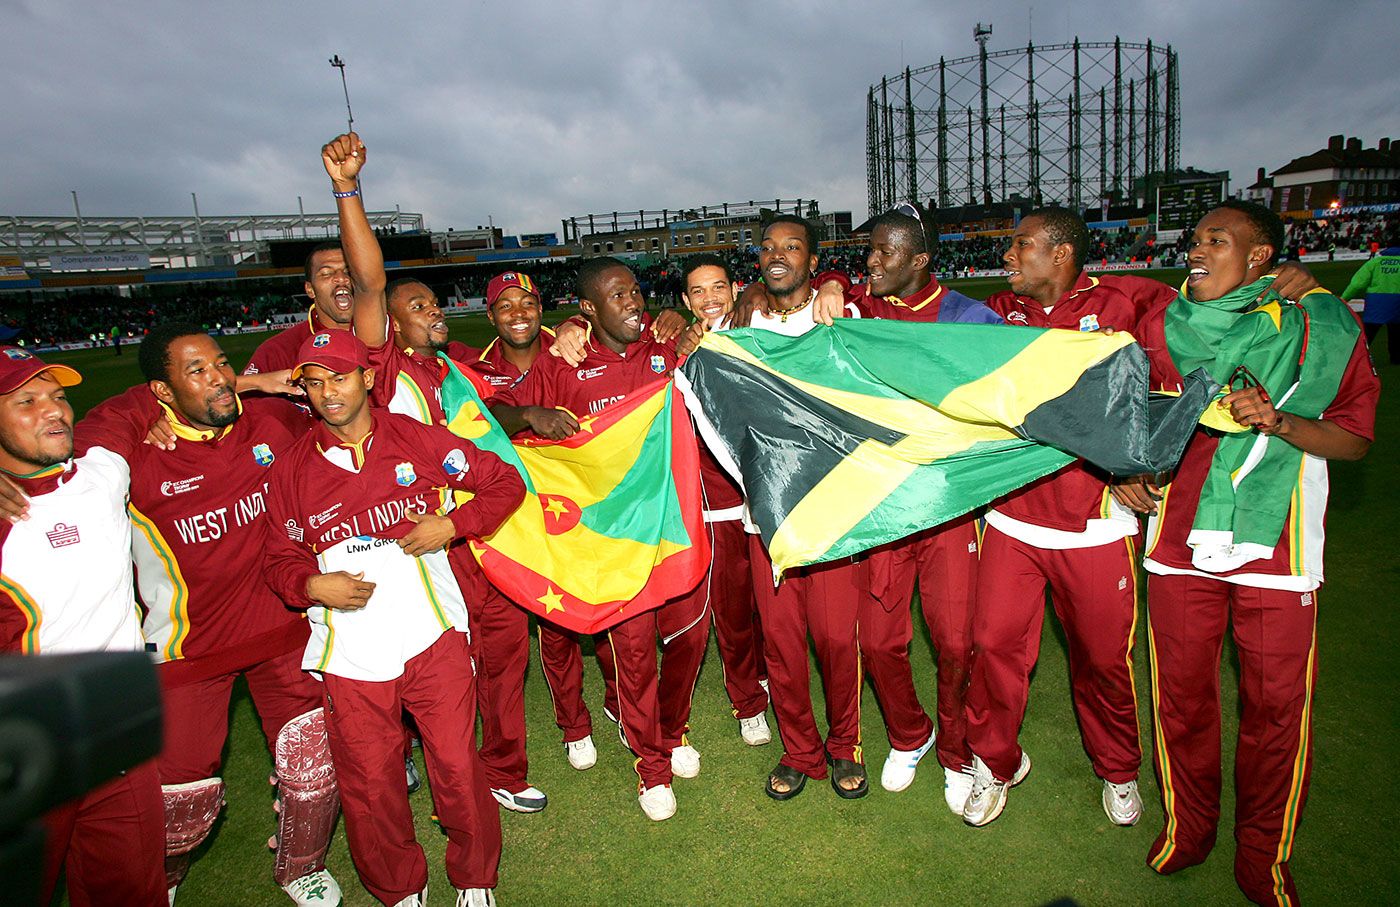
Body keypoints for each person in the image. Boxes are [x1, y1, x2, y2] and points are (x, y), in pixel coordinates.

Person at [1120, 200, 1378, 906]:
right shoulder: (1160, 323)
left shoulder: (1318, 327)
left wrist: (1281, 419)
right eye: (1195, 238)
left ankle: (1263, 853)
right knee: (1183, 700)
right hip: (1177, 542)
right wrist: (1130, 469)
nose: (1195, 249)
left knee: (1275, 710)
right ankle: (1190, 827)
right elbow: (1132, 418)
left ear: (1261, 256)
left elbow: (1354, 439)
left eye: (1217, 240)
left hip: (1279, 542)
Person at [73, 324, 341, 906]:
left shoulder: (269, 422)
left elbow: (349, 400)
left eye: (222, 363)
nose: (219, 376)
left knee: (314, 770)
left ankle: (302, 867)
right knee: (181, 802)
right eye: (196, 371)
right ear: (160, 392)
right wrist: (145, 409)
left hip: (285, 630)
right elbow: (62, 442)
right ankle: (161, 880)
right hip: (187, 651)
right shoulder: (135, 451)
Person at [323, 131, 548, 814]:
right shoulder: (381, 371)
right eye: (417, 307)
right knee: (427, 669)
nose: (434, 312)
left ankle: (504, 767)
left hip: (481, 536)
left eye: (436, 304)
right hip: (415, 549)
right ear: (386, 327)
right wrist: (348, 191)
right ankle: (418, 757)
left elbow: (512, 408)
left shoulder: (460, 372)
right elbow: (368, 281)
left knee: (505, 661)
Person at [263, 328, 525, 907]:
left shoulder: (418, 438)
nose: (328, 392)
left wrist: (454, 525)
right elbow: (278, 561)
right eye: (314, 382)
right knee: (371, 783)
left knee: (457, 765)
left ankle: (475, 879)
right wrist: (311, 584)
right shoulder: (289, 471)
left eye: (339, 376)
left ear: (366, 378)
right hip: (350, 654)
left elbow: (506, 481)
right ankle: (400, 888)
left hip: (433, 636)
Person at [488, 257, 710, 821]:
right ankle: (650, 768)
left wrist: (672, 321)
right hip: (613, 543)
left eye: (636, 290)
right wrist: (533, 414)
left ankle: (673, 730)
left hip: (674, 525)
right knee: (634, 657)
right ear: (587, 310)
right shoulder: (565, 361)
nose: (633, 302)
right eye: (618, 296)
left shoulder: (666, 348)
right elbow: (493, 415)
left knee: (687, 638)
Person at [962, 206, 1159, 828]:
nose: (1009, 256)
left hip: (1095, 522)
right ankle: (994, 763)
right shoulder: (997, 311)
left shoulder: (1129, 304)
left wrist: (1133, 462)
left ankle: (1119, 769)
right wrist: (837, 288)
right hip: (1013, 521)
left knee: (1102, 658)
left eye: (1021, 245)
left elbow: (1171, 381)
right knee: (993, 647)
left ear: (1062, 252)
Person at [809, 207, 1001, 808]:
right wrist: (831, 283)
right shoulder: (858, 308)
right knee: (880, 641)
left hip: (947, 503)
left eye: (883, 252)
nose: (871, 261)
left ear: (920, 260)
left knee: (953, 641)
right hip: (884, 506)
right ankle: (909, 734)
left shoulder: (971, 317)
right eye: (868, 251)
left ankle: (955, 751)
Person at [0, 347, 165, 907]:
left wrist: (261, 377)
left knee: (132, 891)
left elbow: (159, 392)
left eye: (60, 397)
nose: (55, 412)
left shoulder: (102, 472)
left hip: (116, 736)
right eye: (27, 401)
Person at [734, 216, 868, 802]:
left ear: (815, 262)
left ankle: (845, 746)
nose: (778, 255)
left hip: (834, 507)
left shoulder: (844, 315)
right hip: (765, 513)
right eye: (769, 248)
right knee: (782, 643)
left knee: (838, 639)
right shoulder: (736, 325)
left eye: (793, 247)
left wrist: (841, 287)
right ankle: (800, 751)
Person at [677, 252, 771, 746]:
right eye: (698, 291)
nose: (709, 299)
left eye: (718, 288)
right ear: (685, 301)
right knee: (732, 609)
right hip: (718, 506)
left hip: (768, 498)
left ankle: (763, 674)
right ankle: (747, 701)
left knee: (767, 605)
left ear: (736, 289)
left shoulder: (759, 334)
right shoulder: (678, 351)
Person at [243, 242, 354, 377]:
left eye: (349, 271)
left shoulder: (386, 334)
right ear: (310, 289)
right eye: (326, 273)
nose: (341, 278)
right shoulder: (278, 351)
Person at [1341, 239, 1400, 364]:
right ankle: (1396, 358)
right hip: (1397, 302)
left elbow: (1357, 284)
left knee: (1368, 333)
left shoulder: (1374, 263)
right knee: (1396, 333)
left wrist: (1344, 298)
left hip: (1376, 302)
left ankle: (1356, 358)